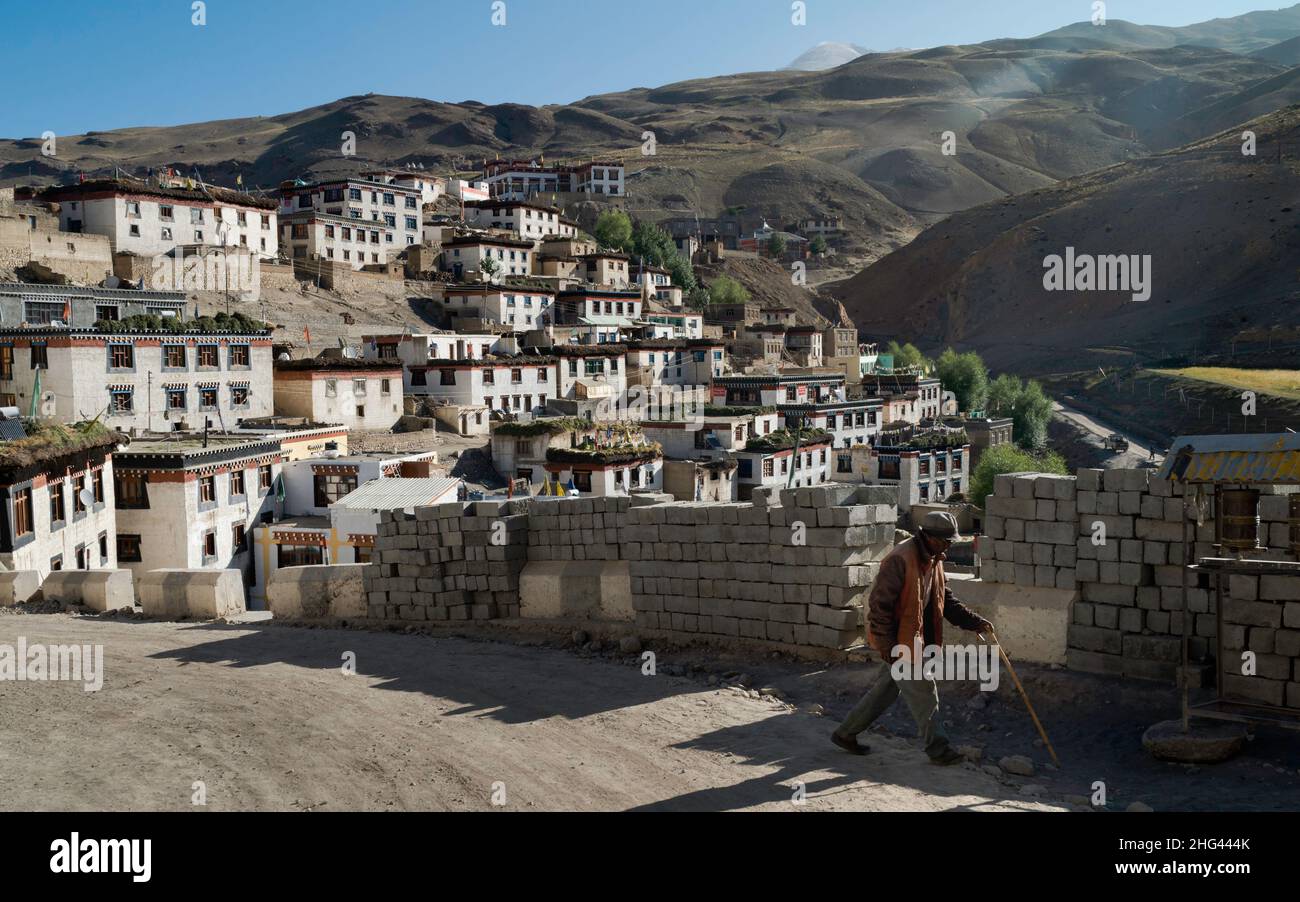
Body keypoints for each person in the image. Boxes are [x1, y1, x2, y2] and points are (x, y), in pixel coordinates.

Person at [831, 511, 993, 765]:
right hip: (901, 642)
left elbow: (945, 600)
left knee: (884, 691)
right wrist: (888, 647)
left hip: (917, 639)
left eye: (951, 541)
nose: (949, 546)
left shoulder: (935, 557)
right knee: (925, 693)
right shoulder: (900, 559)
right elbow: (879, 608)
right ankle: (938, 750)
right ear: (927, 536)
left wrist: (974, 622)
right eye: (945, 541)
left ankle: (845, 733)